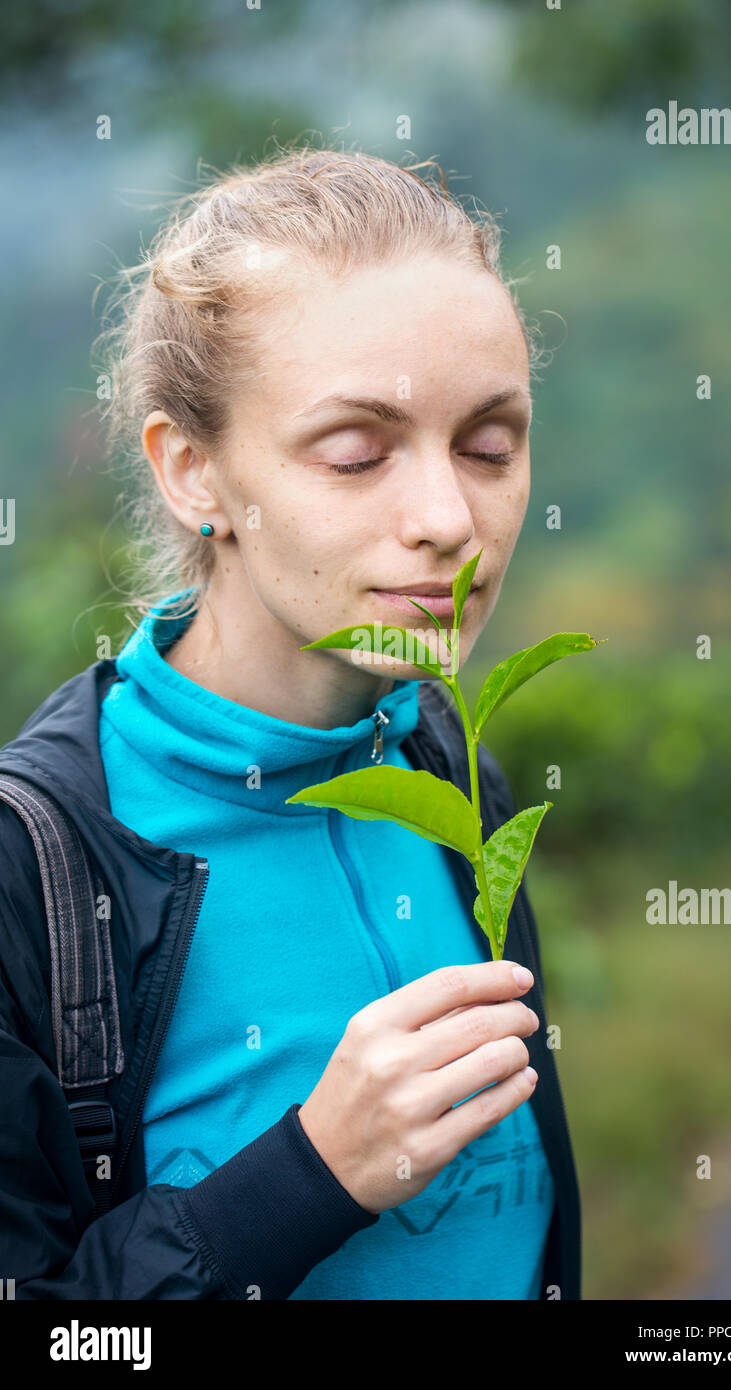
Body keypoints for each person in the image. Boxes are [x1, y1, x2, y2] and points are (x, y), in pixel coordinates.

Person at [0, 143, 581, 1300]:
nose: (446, 519)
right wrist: (308, 1176)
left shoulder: (447, 763)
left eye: (490, 447)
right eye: (357, 454)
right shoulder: (36, 867)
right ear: (194, 471)